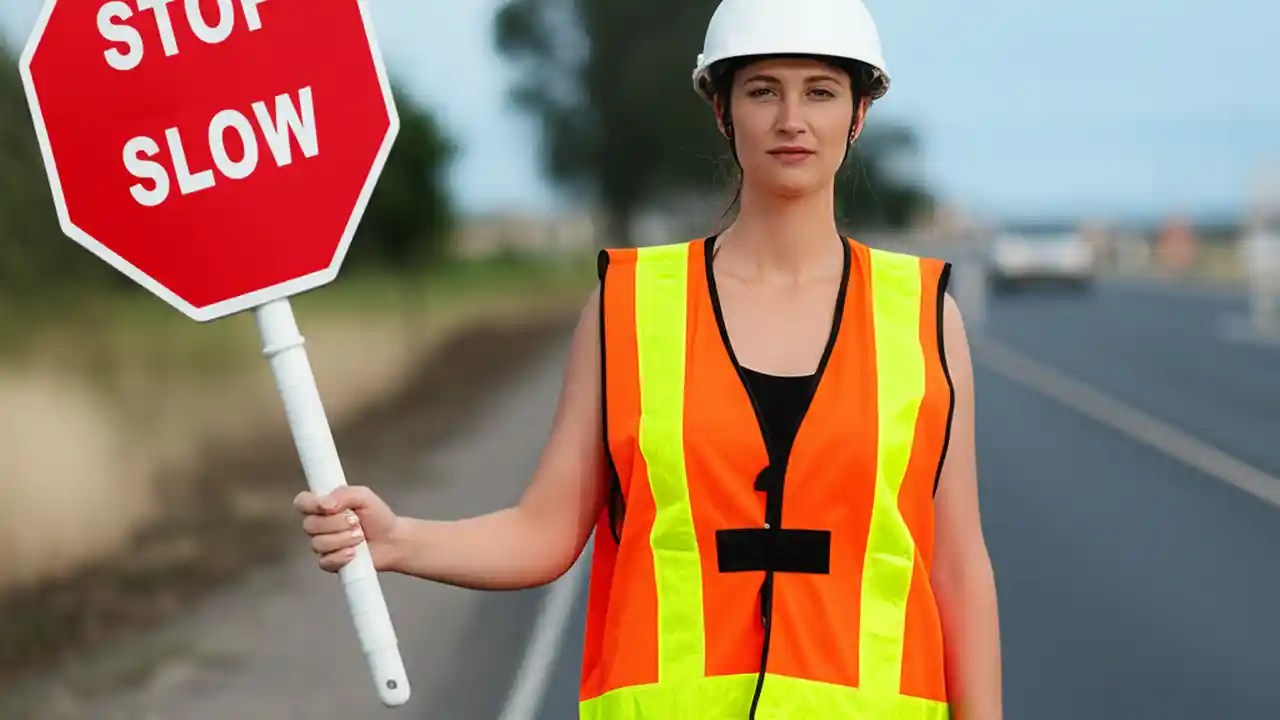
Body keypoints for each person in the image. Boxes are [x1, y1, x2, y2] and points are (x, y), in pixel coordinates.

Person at [293, 0, 1003, 717]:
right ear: (723, 111)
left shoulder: (921, 315)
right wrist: (398, 540)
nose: (792, 118)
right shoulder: (631, 305)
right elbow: (545, 531)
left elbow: (957, 567)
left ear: (858, 113)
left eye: (820, 90)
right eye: (763, 90)